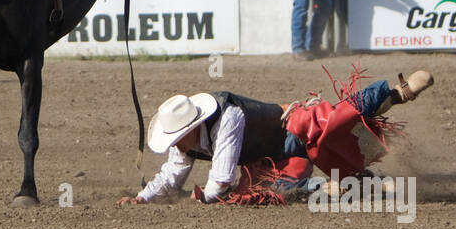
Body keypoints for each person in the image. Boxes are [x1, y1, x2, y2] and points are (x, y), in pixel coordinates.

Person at [117, 70, 434, 205]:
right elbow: (172, 175)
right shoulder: (189, 144)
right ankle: (371, 188)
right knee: (273, 190)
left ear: (188, 131)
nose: (174, 147)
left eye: (176, 139)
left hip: (296, 129)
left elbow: (221, 179)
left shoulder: (228, 117)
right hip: (276, 159)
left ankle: (396, 93)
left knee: (333, 121)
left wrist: (204, 196)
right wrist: (143, 197)